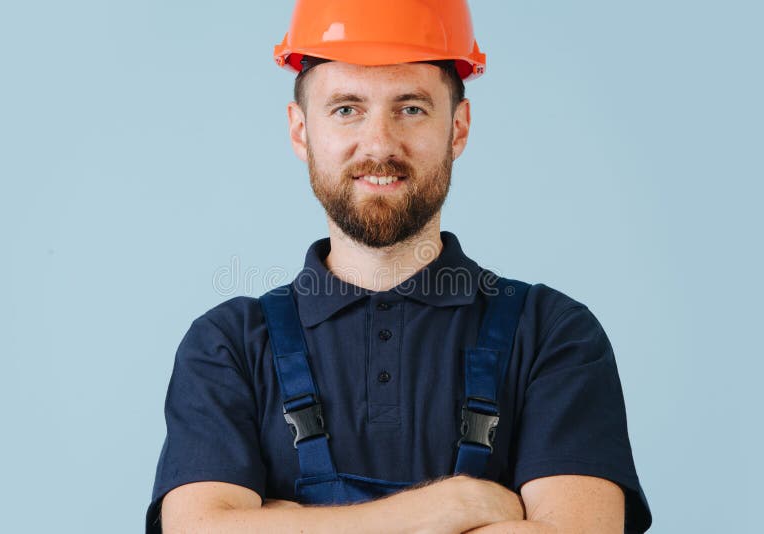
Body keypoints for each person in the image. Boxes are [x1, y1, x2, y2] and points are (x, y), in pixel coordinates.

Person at [145, 1, 653, 532]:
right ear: (301, 131)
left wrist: (282, 522)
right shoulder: (227, 346)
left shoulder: (554, 336)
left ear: (458, 128)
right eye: (346, 109)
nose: (380, 144)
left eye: (410, 108)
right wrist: (453, 507)